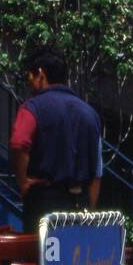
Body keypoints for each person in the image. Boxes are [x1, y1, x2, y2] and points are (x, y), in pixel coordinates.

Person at [9, 48, 103, 232]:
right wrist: (89, 209)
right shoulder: (90, 114)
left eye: (30, 75)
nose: (29, 81)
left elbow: (18, 143)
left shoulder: (32, 108)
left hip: (46, 203)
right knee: (74, 258)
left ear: (40, 74)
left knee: (44, 258)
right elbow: (97, 171)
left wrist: (23, 182)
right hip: (80, 204)